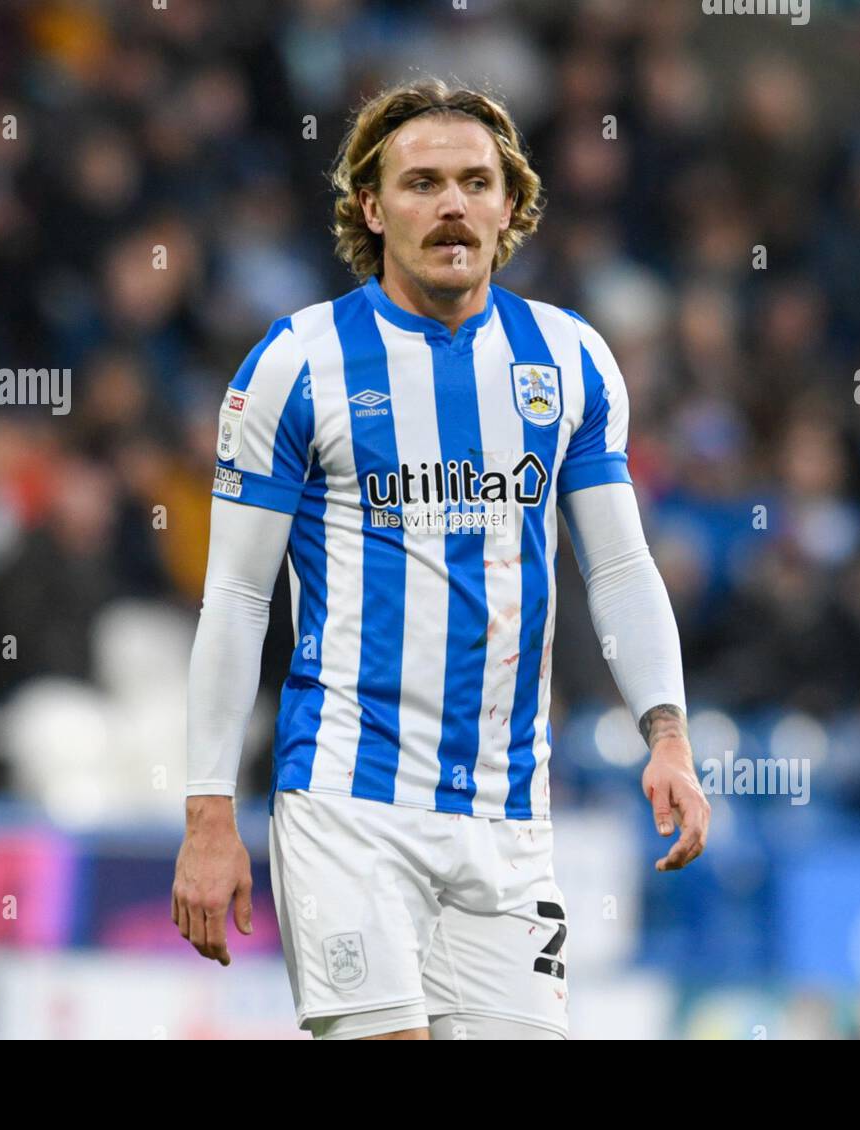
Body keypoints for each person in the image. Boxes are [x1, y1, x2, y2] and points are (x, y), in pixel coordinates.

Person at [172, 78, 709, 1041]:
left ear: (512, 205)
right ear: (372, 208)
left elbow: (620, 569)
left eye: (474, 181)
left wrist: (665, 733)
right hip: (347, 804)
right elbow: (240, 594)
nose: (451, 205)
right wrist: (210, 814)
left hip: (509, 816)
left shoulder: (572, 360)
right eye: (421, 183)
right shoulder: (298, 363)